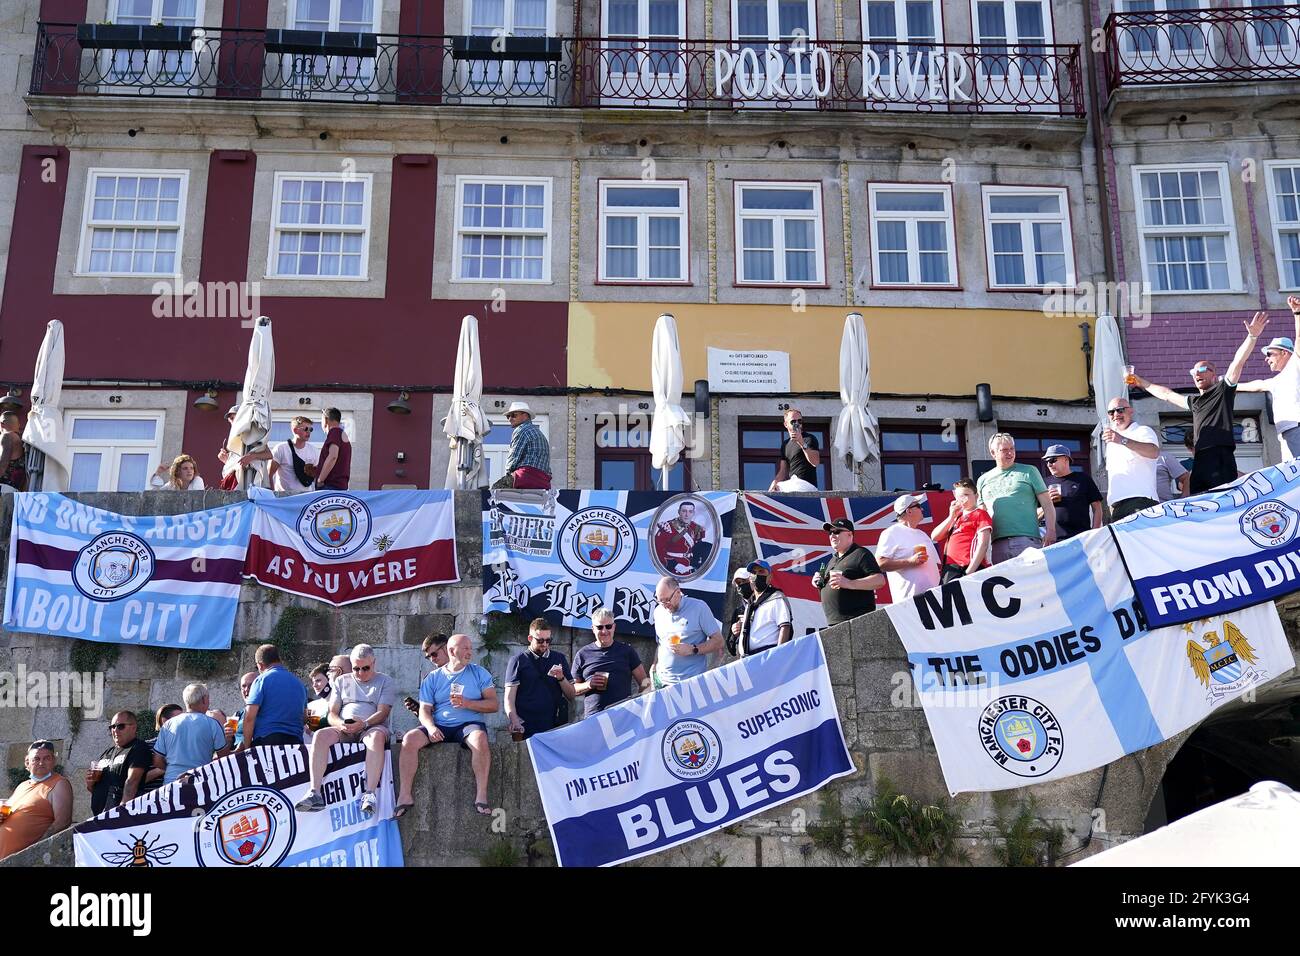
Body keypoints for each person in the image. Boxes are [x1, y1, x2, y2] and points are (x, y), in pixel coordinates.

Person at [1135, 312, 1265, 493]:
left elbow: (1237, 363)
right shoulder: (1195, 402)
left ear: (1214, 374)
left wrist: (1252, 336)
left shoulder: (1222, 390)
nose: (1197, 374)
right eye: (1193, 371)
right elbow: (1166, 394)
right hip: (1201, 457)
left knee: (1222, 500)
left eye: (1203, 369)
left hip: (1220, 455)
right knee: (1198, 501)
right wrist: (1141, 383)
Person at [396, 634, 498, 817]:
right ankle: (404, 796)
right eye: (465, 648)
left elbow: (493, 705)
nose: (469, 652)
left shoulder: (479, 673)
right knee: (409, 739)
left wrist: (468, 703)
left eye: (470, 648)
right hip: (440, 725)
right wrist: (431, 727)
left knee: (480, 738)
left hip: (468, 724)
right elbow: (424, 711)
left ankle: (481, 795)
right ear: (451, 651)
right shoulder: (432, 678)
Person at [297, 644, 395, 818]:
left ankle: (370, 793)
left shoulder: (385, 681)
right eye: (356, 668)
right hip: (345, 727)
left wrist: (363, 724)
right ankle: (314, 792)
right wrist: (341, 724)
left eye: (365, 668)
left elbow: (383, 712)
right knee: (320, 735)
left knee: (376, 738)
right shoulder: (342, 681)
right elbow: (332, 713)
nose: (360, 673)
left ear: (374, 663)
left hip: (371, 727)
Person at [1236, 296, 1300, 460]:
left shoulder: (1295, 365)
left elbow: (1299, 340)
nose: (1266, 358)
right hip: (1286, 434)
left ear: (1285, 353)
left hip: (1296, 427)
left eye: (1270, 353)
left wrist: (1297, 313)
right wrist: (1227, 384)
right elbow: (1257, 385)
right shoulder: (1277, 381)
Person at [977, 432, 1057, 562]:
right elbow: (981, 515)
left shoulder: (1029, 471)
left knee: (1032, 581)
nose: (1010, 453)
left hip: (1027, 540)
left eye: (1012, 449)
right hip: (997, 544)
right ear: (993, 453)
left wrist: (1051, 530)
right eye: (1004, 450)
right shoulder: (982, 480)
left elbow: (1047, 504)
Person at [505, 618, 575, 740]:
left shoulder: (559, 659)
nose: (544, 644)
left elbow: (572, 695)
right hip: (525, 726)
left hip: (553, 724)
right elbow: (509, 698)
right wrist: (514, 721)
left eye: (548, 640)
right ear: (530, 638)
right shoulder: (518, 660)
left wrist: (561, 678)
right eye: (540, 640)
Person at [0, 741, 71, 860]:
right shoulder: (22, 786)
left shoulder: (59, 783)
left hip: (23, 860)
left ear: (54, 761)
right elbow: (7, 809)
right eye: (36, 759)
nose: (41, 763)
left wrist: (35, 851)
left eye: (47, 758)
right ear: (27, 762)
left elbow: (62, 822)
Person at [572, 608, 650, 716]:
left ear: (614, 627)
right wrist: (589, 685)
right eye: (599, 627)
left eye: (608, 626)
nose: (604, 631)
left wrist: (638, 705)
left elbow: (645, 682)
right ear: (593, 629)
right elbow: (572, 690)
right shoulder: (582, 654)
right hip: (594, 718)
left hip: (623, 716)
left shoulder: (627, 651)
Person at [652, 575, 724, 686]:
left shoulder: (699, 608)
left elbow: (719, 641)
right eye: (660, 601)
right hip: (661, 682)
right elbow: (660, 643)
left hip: (690, 682)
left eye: (667, 600)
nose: (665, 605)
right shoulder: (658, 611)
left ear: (678, 592)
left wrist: (693, 649)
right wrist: (654, 666)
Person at [152, 684, 230, 785]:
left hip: (171, 782)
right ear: (204, 700)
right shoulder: (212, 724)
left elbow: (157, 760)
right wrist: (229, 740)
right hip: (199, 781)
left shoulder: (168, 724)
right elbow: (223, 757)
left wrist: (173, 768)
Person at [812, 518, 884, 626]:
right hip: (835, 624)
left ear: (850, 535)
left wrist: (849, 583)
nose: (832, 536)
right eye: (830, 533)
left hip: (857, 621)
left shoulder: (860, 553)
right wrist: (819, 582)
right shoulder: (832, 560)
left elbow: (879, 580)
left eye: (836, 532)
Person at [239, 644, 308, 748]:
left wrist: (247, 748)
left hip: (267, 741)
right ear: (278, 659)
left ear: (260, 665)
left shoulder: (261, 680)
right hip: (295, 743)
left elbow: (249, 717)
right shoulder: (299, 684)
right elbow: (304, 718)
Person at [1101, 400, 1162, 520]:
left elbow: (1154, 452)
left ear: (1131, 411)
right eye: (1111, 412)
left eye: (1120, 410)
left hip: (1140, 500)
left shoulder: (1142, 431)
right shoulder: (1111, 442)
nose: (1115, 414)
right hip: (1116, 506)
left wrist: (1123, 440)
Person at [876, 494, 942, 600]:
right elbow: (881, 564)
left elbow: (935, 566)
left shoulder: (922, 534)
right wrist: (910, 561)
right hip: (908, 602)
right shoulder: (891, 533)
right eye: (918, 506)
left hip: (934, 598)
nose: (922, 508)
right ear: (909, 511)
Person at [87, 712, 153, 815]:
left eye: (120, 726)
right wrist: (90, 783)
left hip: (121, 815)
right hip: (101, 815)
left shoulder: (138, 748)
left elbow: (132, 782)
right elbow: (95, 788)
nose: (115, 730)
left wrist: (122, 811)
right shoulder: (107, 753)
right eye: (112, 727)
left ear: (133, 728)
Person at [929, 478, 992, 582]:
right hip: (950, 567)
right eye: (959, 496)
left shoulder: (980, 514)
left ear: (976, 496)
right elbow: (935, 536)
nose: (963, 499)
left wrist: (969, 572)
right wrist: (951, 516)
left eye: (966, 495)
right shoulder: (957, 516)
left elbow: (983, 544)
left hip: (968, 566)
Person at [1041, 445, 1103, 538]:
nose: (1049, 464)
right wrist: (1047, 503)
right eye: (1047, 461)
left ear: (1066, 459)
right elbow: (1034, 515)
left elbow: (1097, 507)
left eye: (1052, 460)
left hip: (1082, 538)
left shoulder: (1083, 478)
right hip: (1055, 540)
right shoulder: (1044, 483)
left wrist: (1094, 533)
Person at [736, 560, 793, 655]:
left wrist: (778, 654)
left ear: (770, 577)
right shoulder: (750, 604)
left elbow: (785, 626)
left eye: (761, 572)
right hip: (749, 657)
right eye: (754, 572)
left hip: (769, 654)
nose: (757, 575)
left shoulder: (776, 598)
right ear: (750, 578)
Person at [491, 402, 552, 489]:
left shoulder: (521, 430)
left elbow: (513, 457)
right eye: (508, 416)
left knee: (494, 491)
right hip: (543, 482)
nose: (510, 419)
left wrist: (508, 476)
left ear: (525, 415)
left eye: (513, 415)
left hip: (525, 477)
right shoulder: (539, 433)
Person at [653, 499, 711, 576]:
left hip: (690, 566)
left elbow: (697, 547)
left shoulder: (696, 528)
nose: (687, 515)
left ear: (693, 513)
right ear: (679, 512)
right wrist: (675, 565)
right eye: (684, 511)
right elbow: (658, 551)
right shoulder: (667, 527)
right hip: (673, 568)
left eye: (690, 511)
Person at [767, 408, 820, 493]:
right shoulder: (785, 444)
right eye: (793, 421)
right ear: (786, 424)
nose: (797, 424)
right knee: (774, 490)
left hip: (807, 485)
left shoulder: (809, 438)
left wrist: (801, 442)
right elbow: (783, 471)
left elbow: (815, 462)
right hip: (793, 484)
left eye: (800, 421)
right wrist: (775, 482)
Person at [405, 633, 450, 714]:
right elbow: (426, 715)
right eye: (428, 657)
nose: (432, 659)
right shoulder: (430, 679)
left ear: (446, 648)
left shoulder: (471, 672)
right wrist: (418, 711)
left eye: (434, 654)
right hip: (435, 724)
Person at [314, 407, 351, 491]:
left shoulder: (334, 433)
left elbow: (333, 456)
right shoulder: (342, 435)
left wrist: (320, 480)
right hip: (339, 485)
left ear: (326, 420)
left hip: (330, 486)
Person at [0, 411, 28, 491]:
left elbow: (3, 463)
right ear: (18, 425)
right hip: (14, 490)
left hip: (3, 487)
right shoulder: (20, 441)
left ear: (1, 424)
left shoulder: (7, 436)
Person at [232, 672, 256, 744]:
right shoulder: (237, 714)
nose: (246, 689)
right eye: (243, 686)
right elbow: (227, 739)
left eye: (251, 685)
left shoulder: (268, 713)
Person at [306, 663, 331, 728]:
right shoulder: (311, 705)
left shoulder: (341, 703)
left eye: (318, 680)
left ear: (330, 680)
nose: (314, 685)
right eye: (313, 682)